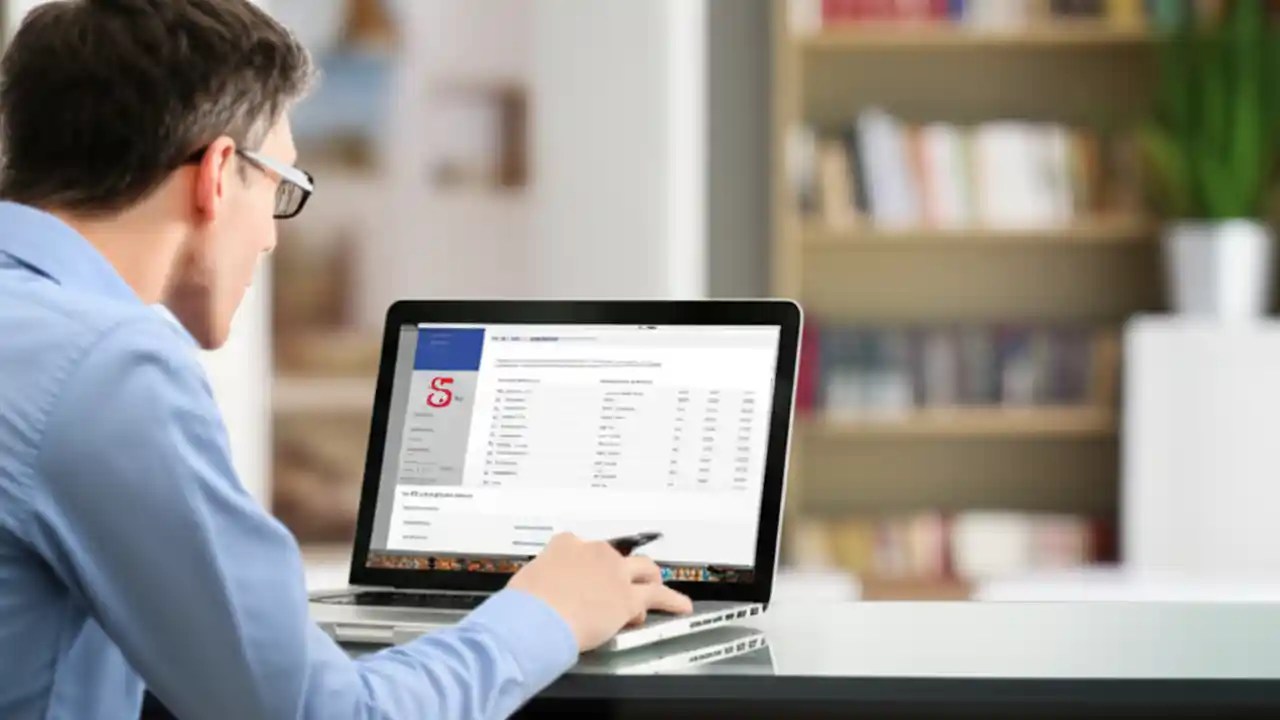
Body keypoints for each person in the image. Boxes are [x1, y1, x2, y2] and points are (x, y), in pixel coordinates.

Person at [0, 2, 692, 719]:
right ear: (218, 174)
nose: (270, 237)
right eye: (282, 189)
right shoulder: (104, 369)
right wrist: (547, 612)